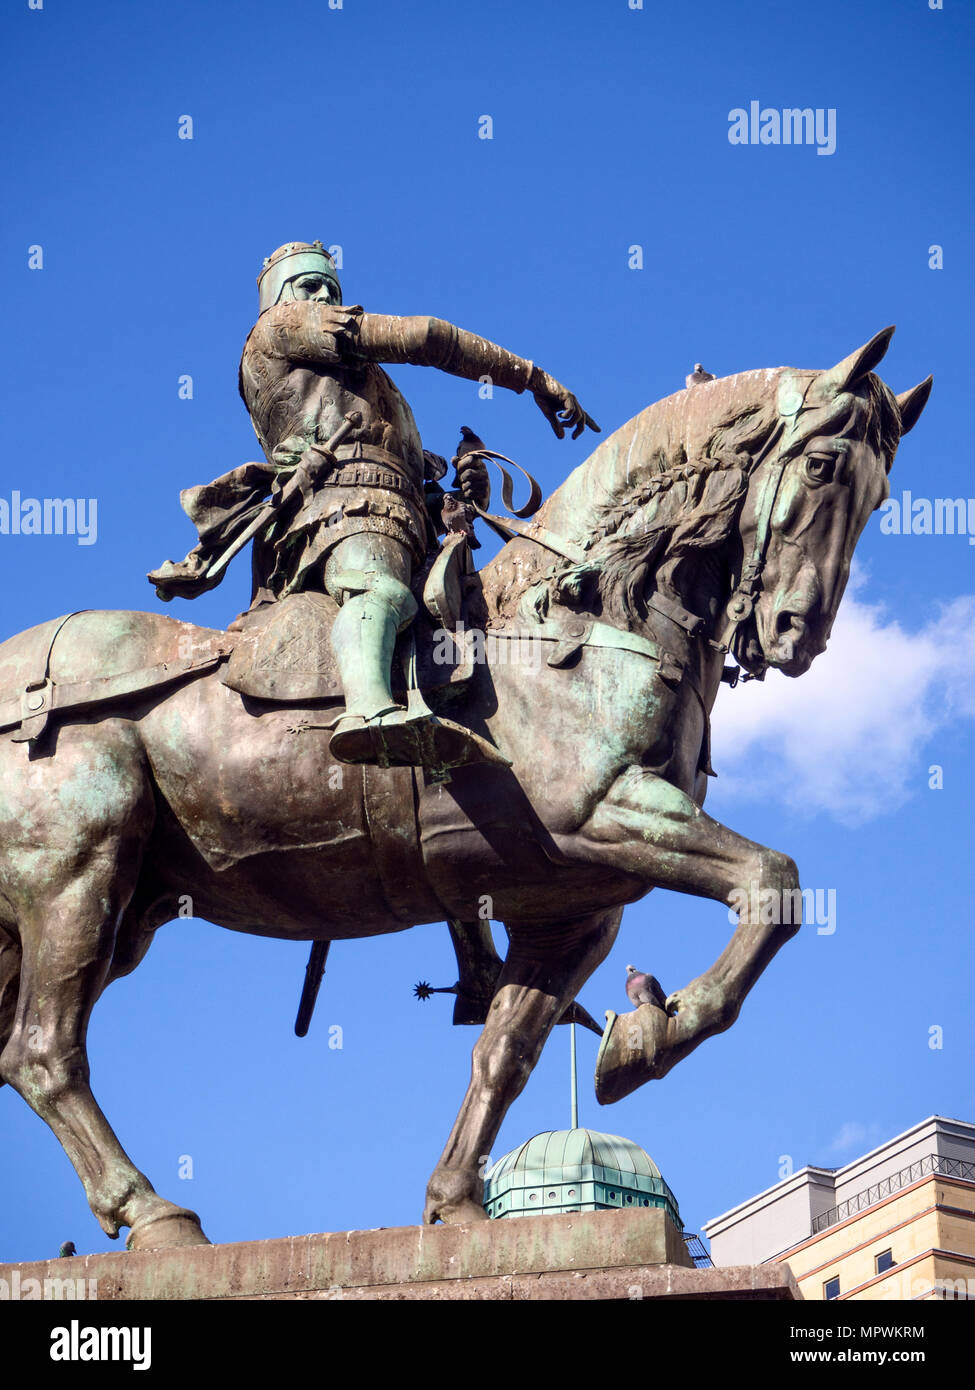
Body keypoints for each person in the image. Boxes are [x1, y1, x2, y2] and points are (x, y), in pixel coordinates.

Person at [149, 240, 598, 766]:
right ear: (278, 295)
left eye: (331, 286)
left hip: (404, 518)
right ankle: (367, 712)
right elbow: (428, 337)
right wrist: (530, 378)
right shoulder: (279, 329)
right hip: (340, 509)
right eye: (309, 284)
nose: (324, 294)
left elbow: (410, 469)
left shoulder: (374, 390)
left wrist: (455, 493)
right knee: (381, 589)